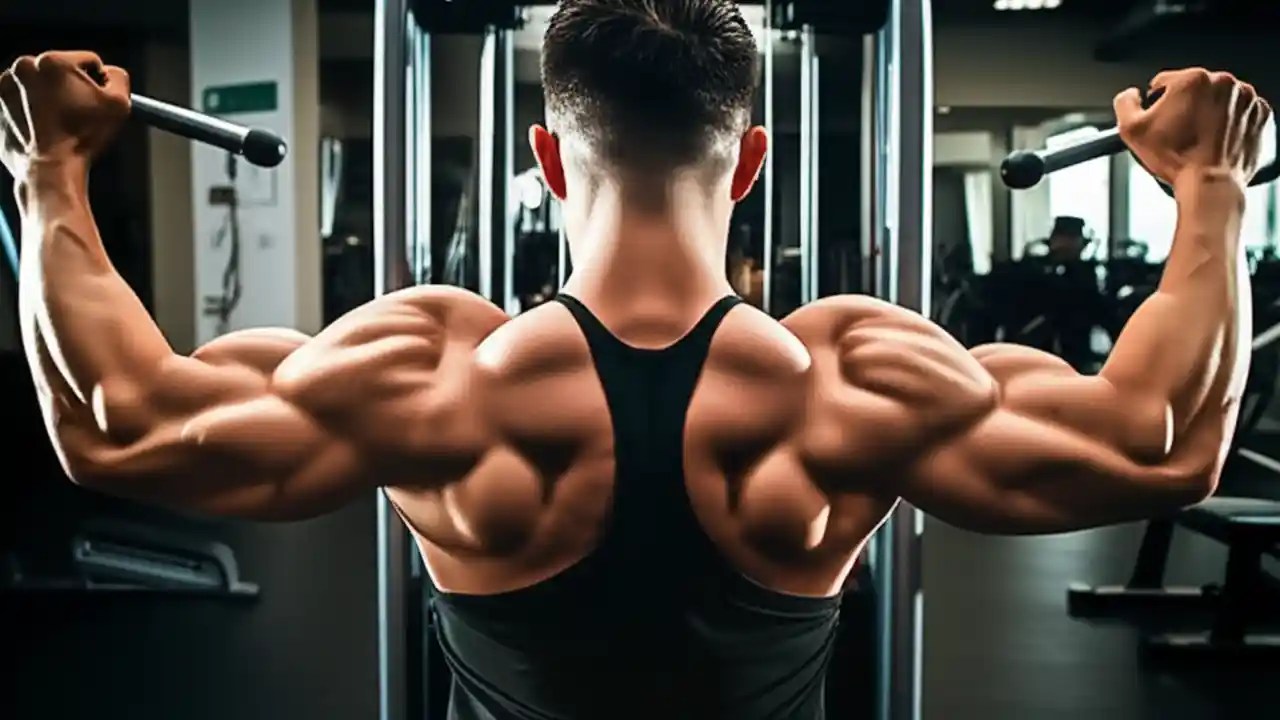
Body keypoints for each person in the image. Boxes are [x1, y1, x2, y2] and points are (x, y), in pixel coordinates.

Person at [0, 0, 1270, 716]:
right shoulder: (844, 379)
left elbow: (118, 422)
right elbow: (1156, 442)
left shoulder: (440, 374)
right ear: (753, 161)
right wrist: (1209, 185)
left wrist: (49, 174)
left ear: (547, 163)